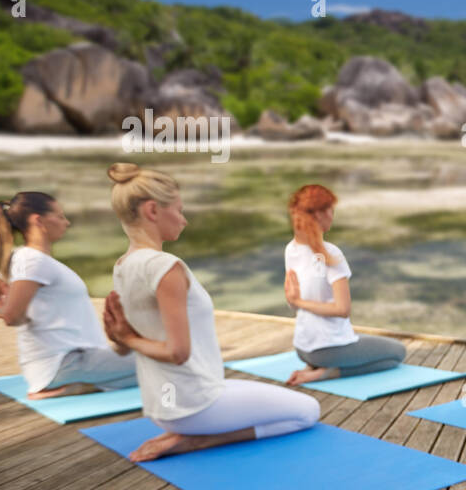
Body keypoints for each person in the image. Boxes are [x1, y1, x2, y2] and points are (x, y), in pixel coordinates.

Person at [102, 163, 319, 462]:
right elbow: (177, 352)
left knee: (246, 390)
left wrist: (123, 338)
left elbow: (123, 344)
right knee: (308, 411)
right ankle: (195, 441)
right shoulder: (165, 268)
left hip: (160, 407)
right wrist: (126, 337)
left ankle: (183, 432)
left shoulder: (122, 267)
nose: (184, 220)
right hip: (195, 407)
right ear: (152, 211)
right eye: (178, 210)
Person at [0, 192, 136, 398]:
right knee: (166, 363)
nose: (66, 222)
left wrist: (18, 314)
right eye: (60, 216)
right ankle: (80, 385)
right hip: (64, 363)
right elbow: (9, 314)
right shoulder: (32, 261)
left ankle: (86, 385)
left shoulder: (26, 259)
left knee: (163, 356)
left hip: (73, 360)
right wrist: (16, 313)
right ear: (39, 221)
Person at [282, 184, 408, 385]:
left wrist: (297, 301)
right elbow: (342, 310)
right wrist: (300, 302)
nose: (333, 215)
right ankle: (324, 373)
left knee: (362, 339)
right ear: (321, 214)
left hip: (302, 348)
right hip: (327, 349)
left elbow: (292, 303)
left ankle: (313, 366)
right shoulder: (331, 254)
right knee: (397, 353)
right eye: (331, 210)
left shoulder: (291, 249)